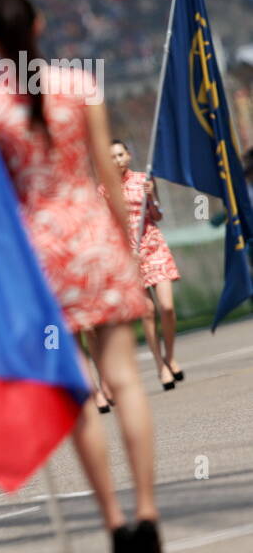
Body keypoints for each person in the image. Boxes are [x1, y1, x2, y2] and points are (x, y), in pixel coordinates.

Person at [0, 0, 161, 553]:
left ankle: (111, 521)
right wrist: (126, 252)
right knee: (126, 381)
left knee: (77, 395)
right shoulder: (78, 87)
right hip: (94, 243)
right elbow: (106, 171)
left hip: (41, 259)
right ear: (39, 22)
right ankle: (148, 511)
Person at [109, 140, 183, 388]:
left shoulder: (144, 180)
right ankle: (160, 366)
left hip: (153, 247)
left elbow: (158, 215)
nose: (117, 160)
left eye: (120, 154)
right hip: (127, 255)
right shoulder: (104, 189)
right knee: (148, 312)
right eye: (112, 157)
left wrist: (152, 196)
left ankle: (170, 357)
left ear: (128, 155)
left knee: (167, 306)